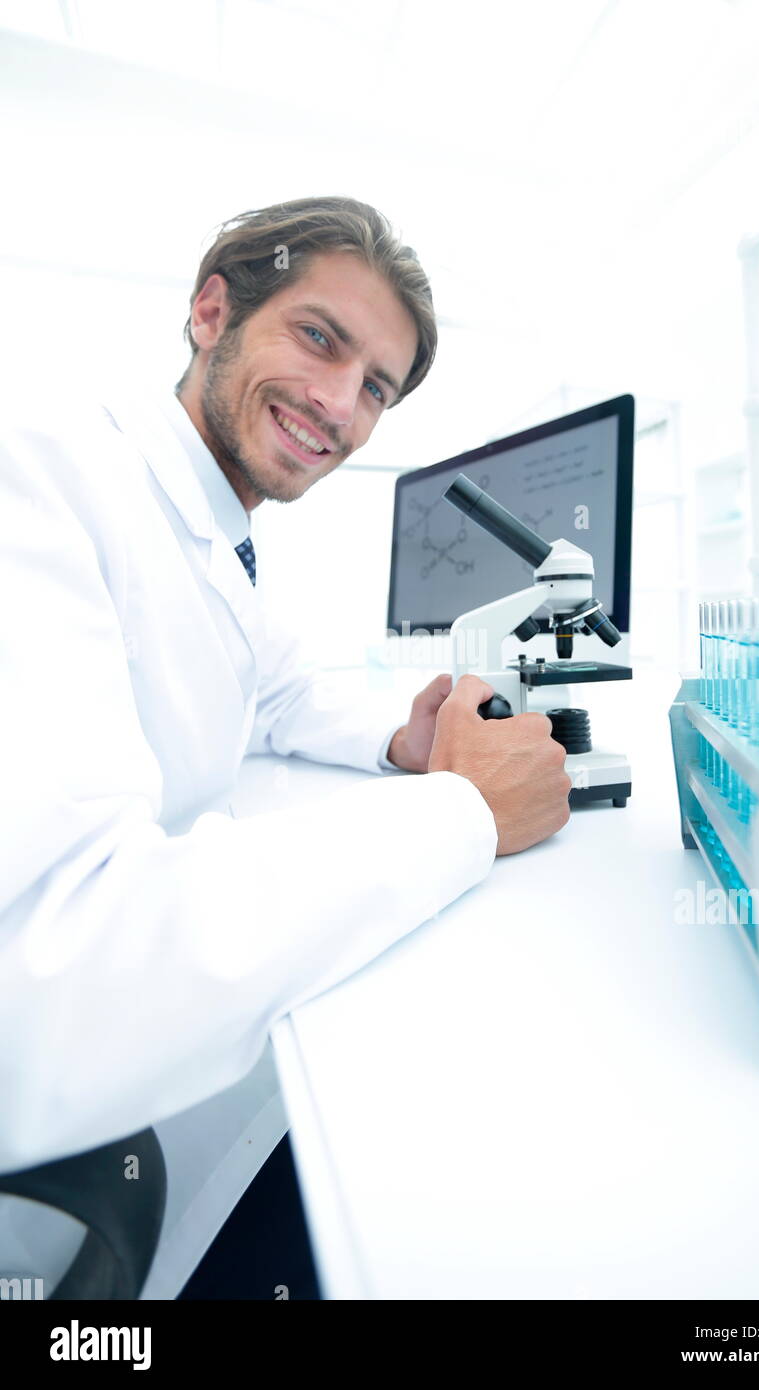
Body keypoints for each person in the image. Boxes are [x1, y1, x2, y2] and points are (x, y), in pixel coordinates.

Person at [0, 197, 570, 1289]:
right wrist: (462, 811)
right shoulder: (45, 470)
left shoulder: (213, 530)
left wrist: (404, 744)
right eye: (319, 338)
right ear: (212, 310)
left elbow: (274, 690)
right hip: (64, 1152)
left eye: (375, 388)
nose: (338, 406)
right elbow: (59, 955)